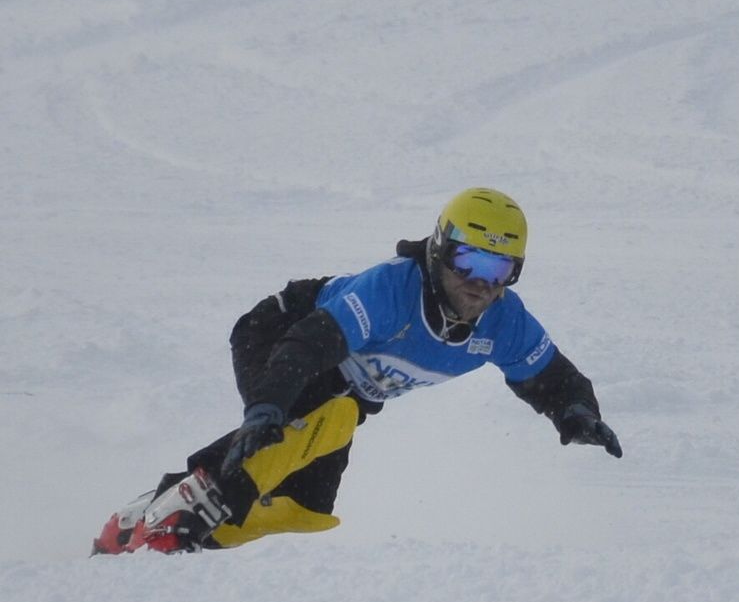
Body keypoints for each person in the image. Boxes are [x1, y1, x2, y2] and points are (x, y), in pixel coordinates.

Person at [93, 187, 621, 555]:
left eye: (500, 269)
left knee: (305, 510)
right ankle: (187, 509)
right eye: (470, 262)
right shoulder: (392, 291)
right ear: (439, 249)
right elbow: (307, 347)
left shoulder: (503, 322)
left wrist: (575, 411)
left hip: (338, 386)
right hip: (281, 335)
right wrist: (265, 407)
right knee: (323, 415)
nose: (482, 283)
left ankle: (153, 518)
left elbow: (552, 374)